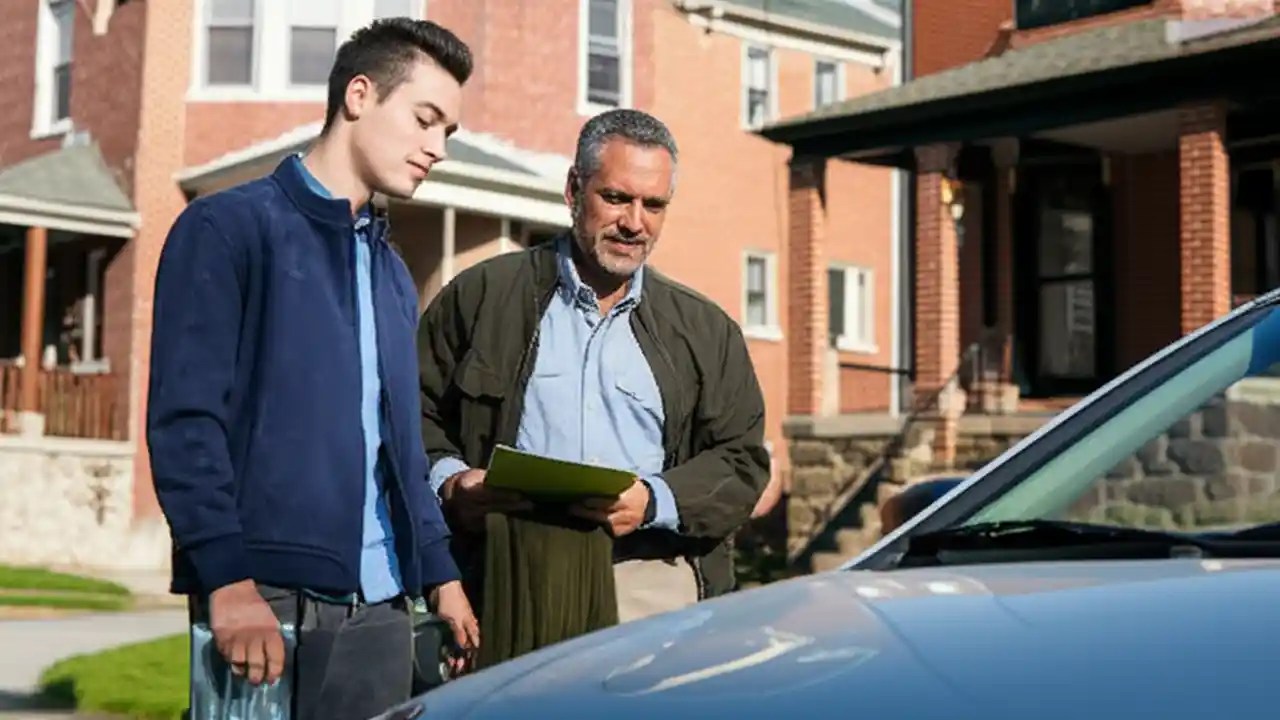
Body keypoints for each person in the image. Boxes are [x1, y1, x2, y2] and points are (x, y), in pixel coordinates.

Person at [146, 18, 478, 720]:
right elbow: (186, 422)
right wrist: (225, 580)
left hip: (383, 611)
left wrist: (440, 575)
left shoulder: (391, 271)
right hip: (265, 601)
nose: (438, 148)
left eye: (447, 130)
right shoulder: (228, 229)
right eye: (426, 120)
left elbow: (403, 445)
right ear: (359, 94)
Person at [418, 108, 771, 627]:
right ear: (573, 190)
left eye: (653, 205)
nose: (634, 222)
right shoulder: (481, 296)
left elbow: (742, 460)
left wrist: (654, 501)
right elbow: (410, 416)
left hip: (648, 581)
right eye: (616, 198)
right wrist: (450, 483)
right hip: (507, 573)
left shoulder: (706, 330)